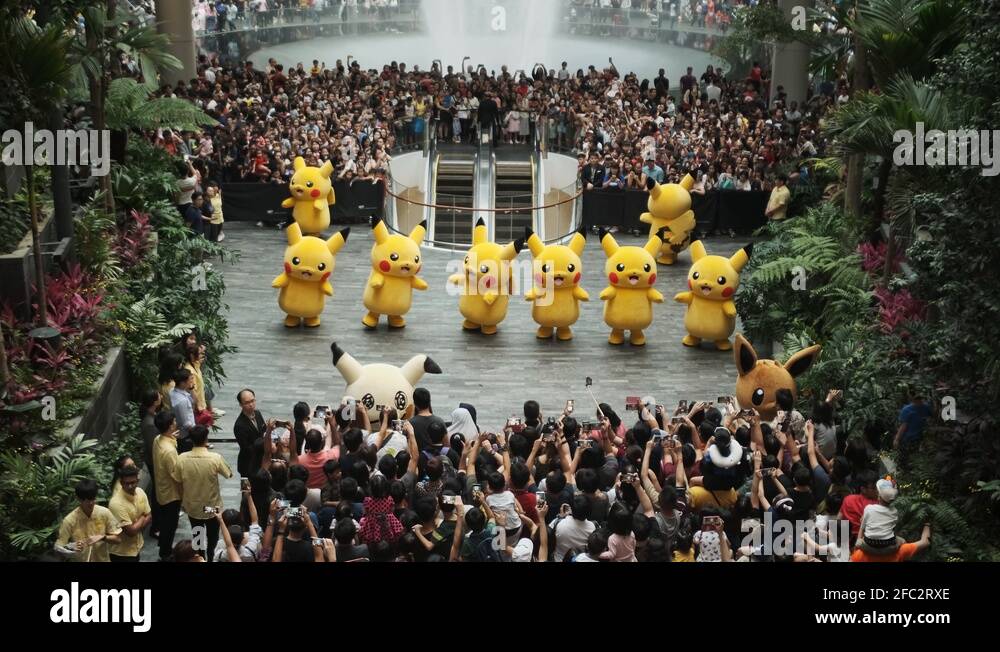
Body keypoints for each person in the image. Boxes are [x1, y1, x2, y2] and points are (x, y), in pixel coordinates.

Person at [174, 425, 234, 562]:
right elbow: (229, 474)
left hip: (192, 506)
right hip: (212, 507)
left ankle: (200, 556)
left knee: (198, 535)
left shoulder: (181, 459)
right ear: (206, 439)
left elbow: (177, 480)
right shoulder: (215, 458)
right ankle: (211, 556)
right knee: (213, 536)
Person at [54, 479, 122, 562]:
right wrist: (70, 547)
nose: (90, 503)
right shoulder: (69, 520)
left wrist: (103, 537)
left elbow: (118, 540)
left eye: (92, 499)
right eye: (86, 500)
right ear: (78, 499)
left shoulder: (104, 513)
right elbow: (58, 548)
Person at [107, 465, 152, 562]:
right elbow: (131, 532)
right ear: (121, 483)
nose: (130, 486)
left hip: (136, 547)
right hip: (120, 553)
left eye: (133, 482)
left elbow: (150, 516)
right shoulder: (116, 503)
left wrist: (137, 526)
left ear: (137, 480)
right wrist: (142, 518)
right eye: (126, 483)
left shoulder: (140, 492)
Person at [851, 523, 931, 562]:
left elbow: (859, 542)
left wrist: (862, 525)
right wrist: (927, 524)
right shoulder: (901, 551)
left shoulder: (859, 555)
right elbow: (925, 541)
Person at [553, 494, 596, 562]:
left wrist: (560, 516)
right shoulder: (592, 528)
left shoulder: (560, 524)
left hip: (558, 559)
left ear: (572, 509)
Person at [234, 388, 266, 477]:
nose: (251, 405)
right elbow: (247, 448)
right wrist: (264, 445)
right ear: (241, 404)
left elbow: (264, 432)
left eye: (252, 401)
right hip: (248, 465)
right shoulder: (239, 425)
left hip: (261, 461)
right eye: (247, 403)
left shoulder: (258, 414)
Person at [894, 393, 932, 468]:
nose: (920, 401)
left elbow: (930, 418)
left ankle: (909, 471)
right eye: (918, 399)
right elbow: (903, 426)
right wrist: (897, 439)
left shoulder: (926, 407)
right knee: (905, 458)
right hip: (907, 438)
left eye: (921, 399)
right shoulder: (907, 410)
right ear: (914, 400)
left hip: (918, 438)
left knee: (913, 458)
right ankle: (904, 471)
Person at [409, 387, 446, 452]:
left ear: (415, 404)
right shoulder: (440, 421)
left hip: (418, 460)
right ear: (429, 402)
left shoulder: (410, 424)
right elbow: (447, 446)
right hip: (437, 460)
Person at [169, 368, 197, 452]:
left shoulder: (172, 391)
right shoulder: (182, 401)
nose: (191, 381)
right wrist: (197, 433)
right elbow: (186, 424)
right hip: (185, 436)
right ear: (182, 383)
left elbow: (194, 401)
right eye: (189, 380)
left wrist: (191, 389)